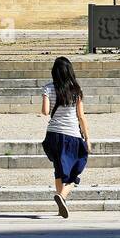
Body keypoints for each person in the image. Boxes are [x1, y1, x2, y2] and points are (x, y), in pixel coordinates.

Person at [39, 56, 92, 218]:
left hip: (53, 135)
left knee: (58, 169)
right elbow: (81, 116)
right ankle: (62, 196)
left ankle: (60, 203)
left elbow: (45, 112)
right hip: (71, 135)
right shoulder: (76, 90)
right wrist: (88, 138)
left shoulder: (48, 88)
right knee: (75, 171)